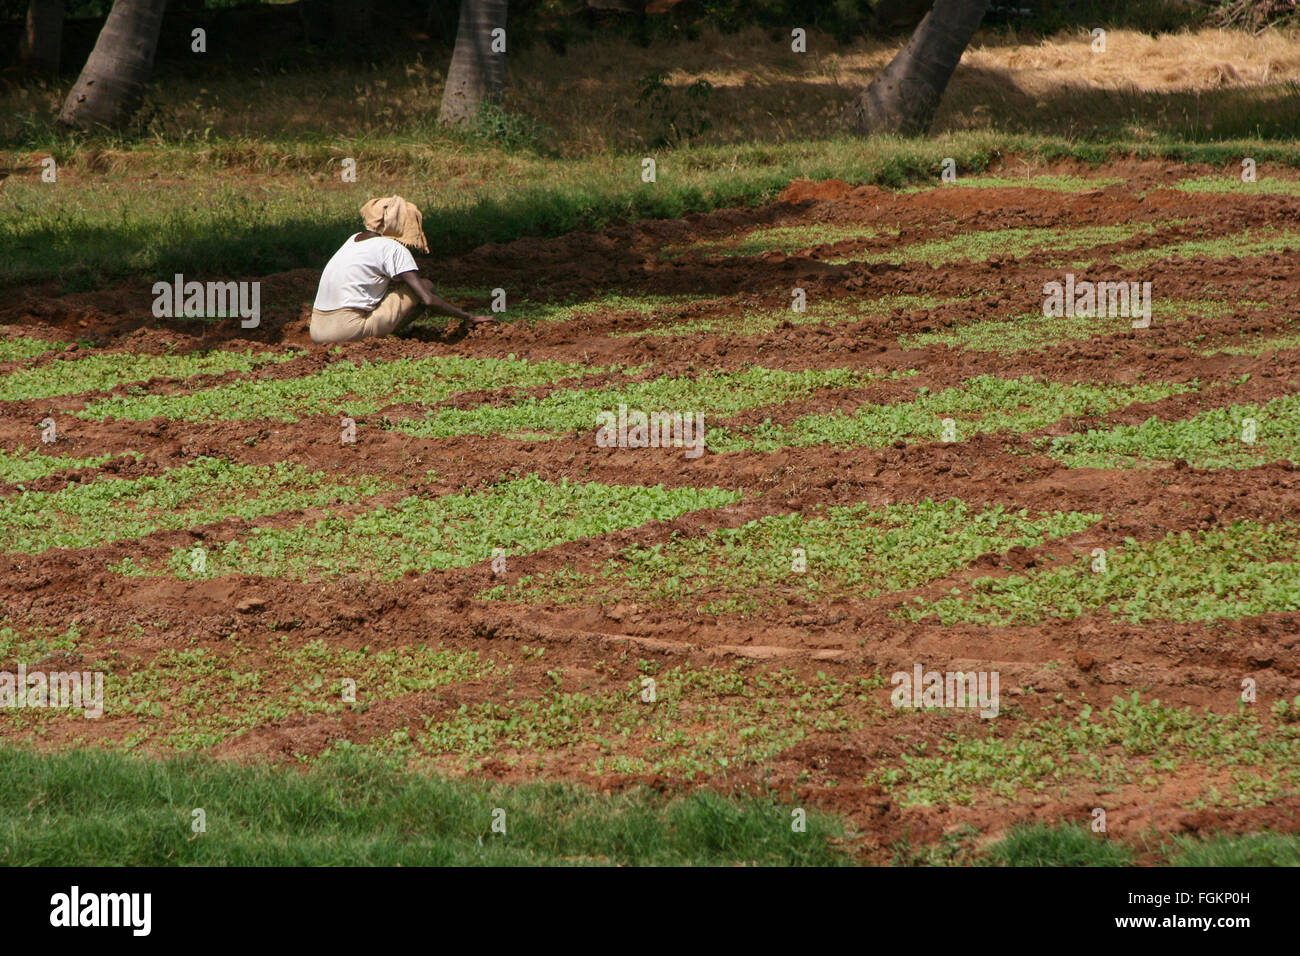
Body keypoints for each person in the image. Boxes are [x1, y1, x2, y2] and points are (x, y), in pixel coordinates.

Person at [309, 195, 494, 343]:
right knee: (425, 285)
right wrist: (468, 316)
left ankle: (382, 331)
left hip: (317, 330)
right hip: (347, 330)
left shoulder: (353, 240)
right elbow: (427, 300)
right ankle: (389, 335)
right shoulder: (392, 248)